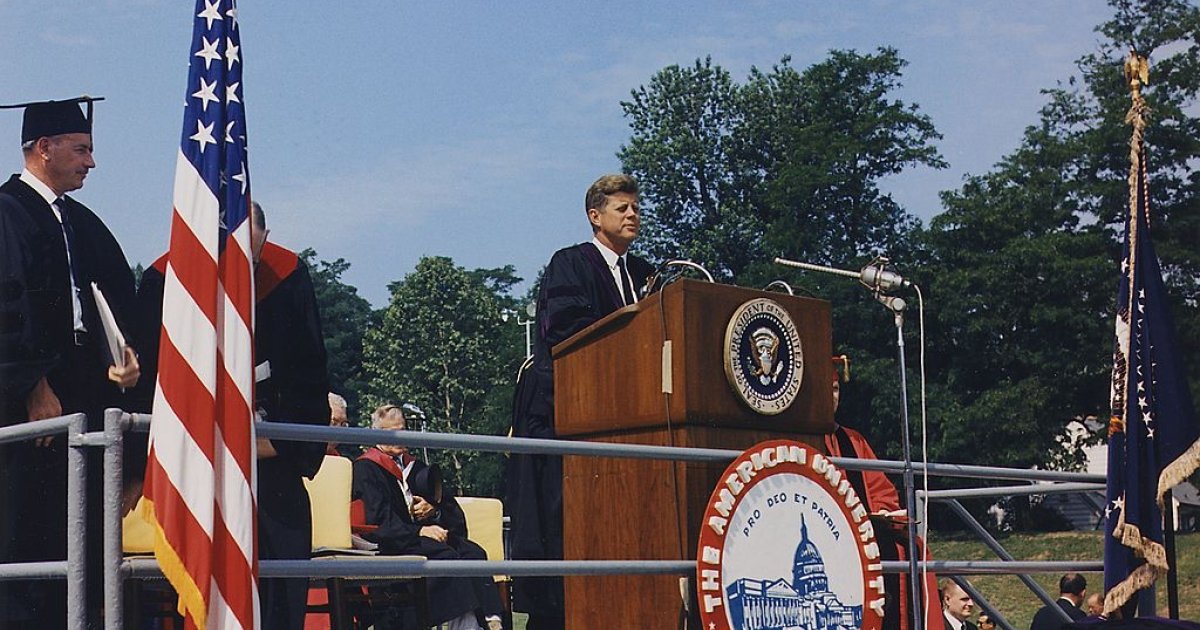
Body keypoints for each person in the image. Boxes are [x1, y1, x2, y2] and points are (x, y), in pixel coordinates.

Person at [135, 201, 330, 629]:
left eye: (254, 255)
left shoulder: (287, 274)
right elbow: (153, 381)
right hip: (197, 471)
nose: (247, 266)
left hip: (271, 463)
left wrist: (276, 442)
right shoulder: (164, 279)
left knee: (280, 587)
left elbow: (310, 371)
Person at [0, 96, 142, 626]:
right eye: (81, 149)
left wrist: (128, 361)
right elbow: (6, 305)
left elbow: (116, 307)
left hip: (87, 396)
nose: (91, 162)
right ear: (44, 148)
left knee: (87, 553)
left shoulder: (85, 224)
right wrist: (32, 385)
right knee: (29, 548)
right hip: (32, 411)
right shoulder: (6, 212)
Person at [506, 173, 653, 629]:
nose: (632, 215)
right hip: (565, 408)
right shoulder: (571, 263)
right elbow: (566, 330)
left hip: (627, 413)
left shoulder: (645, 273)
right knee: (560, 521)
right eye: (621, 208)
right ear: (595, 216)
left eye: (635, 208)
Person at [352, 404, 503, 630]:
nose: (399, 436)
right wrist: (420, 530)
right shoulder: (367, 469)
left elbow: (450, 509)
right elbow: (379, 519)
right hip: (393, 541)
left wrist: (435, 509)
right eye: (391, 431)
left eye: (402, 429)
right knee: (448, 558)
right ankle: (468, 625)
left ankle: (491, 618)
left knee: (473, 552)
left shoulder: (416, 467)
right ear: (377, 433)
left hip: (421, 539)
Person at [823, 356, 944, 630]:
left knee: (911, 549)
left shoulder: (853, 440)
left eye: (836, 389)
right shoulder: (803, 439)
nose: (833, 397)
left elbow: (882, 491)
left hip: (865, 531)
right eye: (826, 390)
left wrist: (882, 513)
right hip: (831, 534)